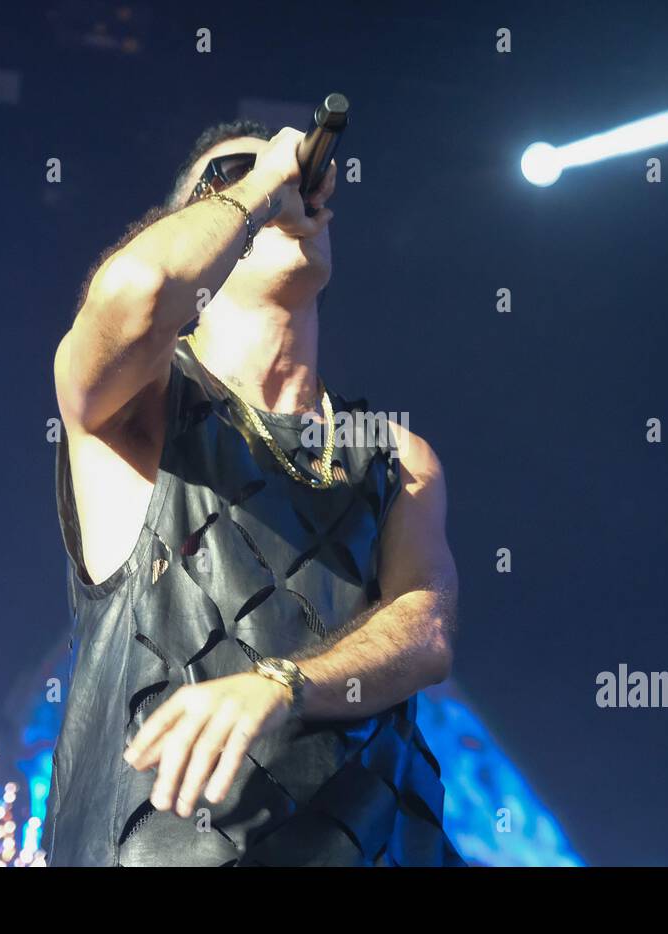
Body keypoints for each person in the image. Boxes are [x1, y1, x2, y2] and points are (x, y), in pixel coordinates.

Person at [44, 118, 464, 865]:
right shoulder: (137, 405)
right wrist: (263, 182)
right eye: (227, 175)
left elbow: (425, 630)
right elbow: (139, 288)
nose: (285, 184)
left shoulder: (397, 455)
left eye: (297, 177)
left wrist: (284, 683)